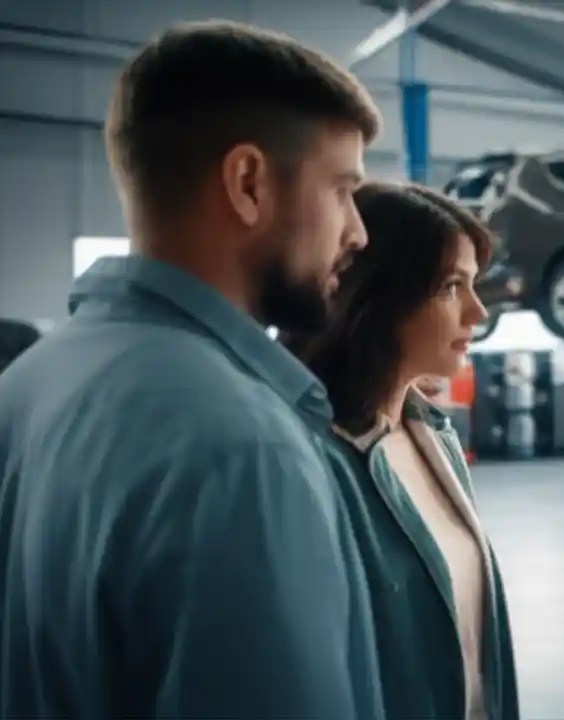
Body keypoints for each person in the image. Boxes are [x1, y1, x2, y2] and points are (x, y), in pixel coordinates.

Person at [0, 21, 385, 719]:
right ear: (247, 184)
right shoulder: (242, 448)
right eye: (341, 190)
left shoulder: (26, 386)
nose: (357, 230)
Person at [285, 181, 519, 720]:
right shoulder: (310, 459)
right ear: (380, 296)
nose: (478, 312)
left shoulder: (433, 434)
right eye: (450, 287)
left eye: (475, 285)